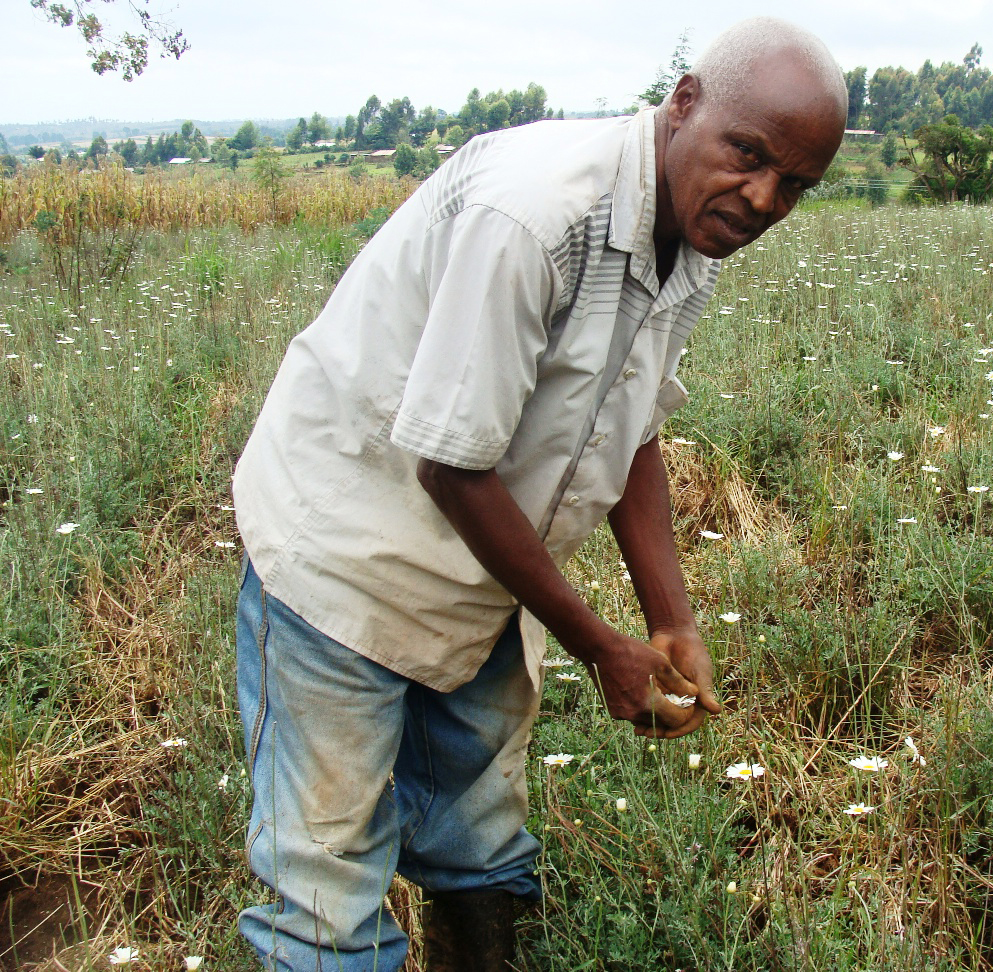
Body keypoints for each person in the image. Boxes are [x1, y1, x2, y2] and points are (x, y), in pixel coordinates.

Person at [231, 16, 846, 971]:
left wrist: (669, 620)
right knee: (326, 889)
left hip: (488, 568)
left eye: (795, 184)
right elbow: (451, 467)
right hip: (347, 555)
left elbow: (632, 423)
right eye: (749, 154)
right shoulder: (537, 214)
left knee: (477, 843)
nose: (763, 197)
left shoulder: (694, 226)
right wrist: (602, 647)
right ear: (684, 103)